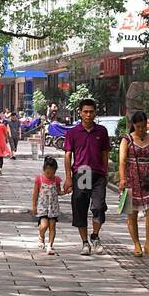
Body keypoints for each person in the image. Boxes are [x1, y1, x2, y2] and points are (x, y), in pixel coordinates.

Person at [63, 98, 110, 255]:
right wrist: (69, 177)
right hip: (82, 172)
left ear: (95, 113)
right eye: (85, 112)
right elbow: (68, 155)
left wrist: (105, 172)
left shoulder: (101, 131)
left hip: (98, 173)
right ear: (80, 113)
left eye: (91, 112)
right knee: (80, 206)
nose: (88, 115)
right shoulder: (73, 132)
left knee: (98, 206)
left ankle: (95, 236)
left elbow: (105, 153)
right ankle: (84, 242)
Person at [118, 110, 149, 257]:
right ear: (133, 126)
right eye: (138, 127)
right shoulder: (127, 139)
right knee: (132, 214)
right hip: (131, 179)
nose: (142, 130)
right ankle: (136, 243)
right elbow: (122, 161)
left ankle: (148, 243)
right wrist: (123, 179)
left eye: (144, 126)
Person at [31, 156, 63, 255]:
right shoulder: (39, 179)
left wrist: (66, 191)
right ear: (44, 169)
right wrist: (34, 206)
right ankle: (41, 236)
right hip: (43, 207)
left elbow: (59, 192)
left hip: (53, 207)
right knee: (44, 225)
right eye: (48, 172)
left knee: (52, 226)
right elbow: (35, 193)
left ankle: (50, 245)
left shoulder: (57, 180)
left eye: (53, 173)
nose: (50, 175)